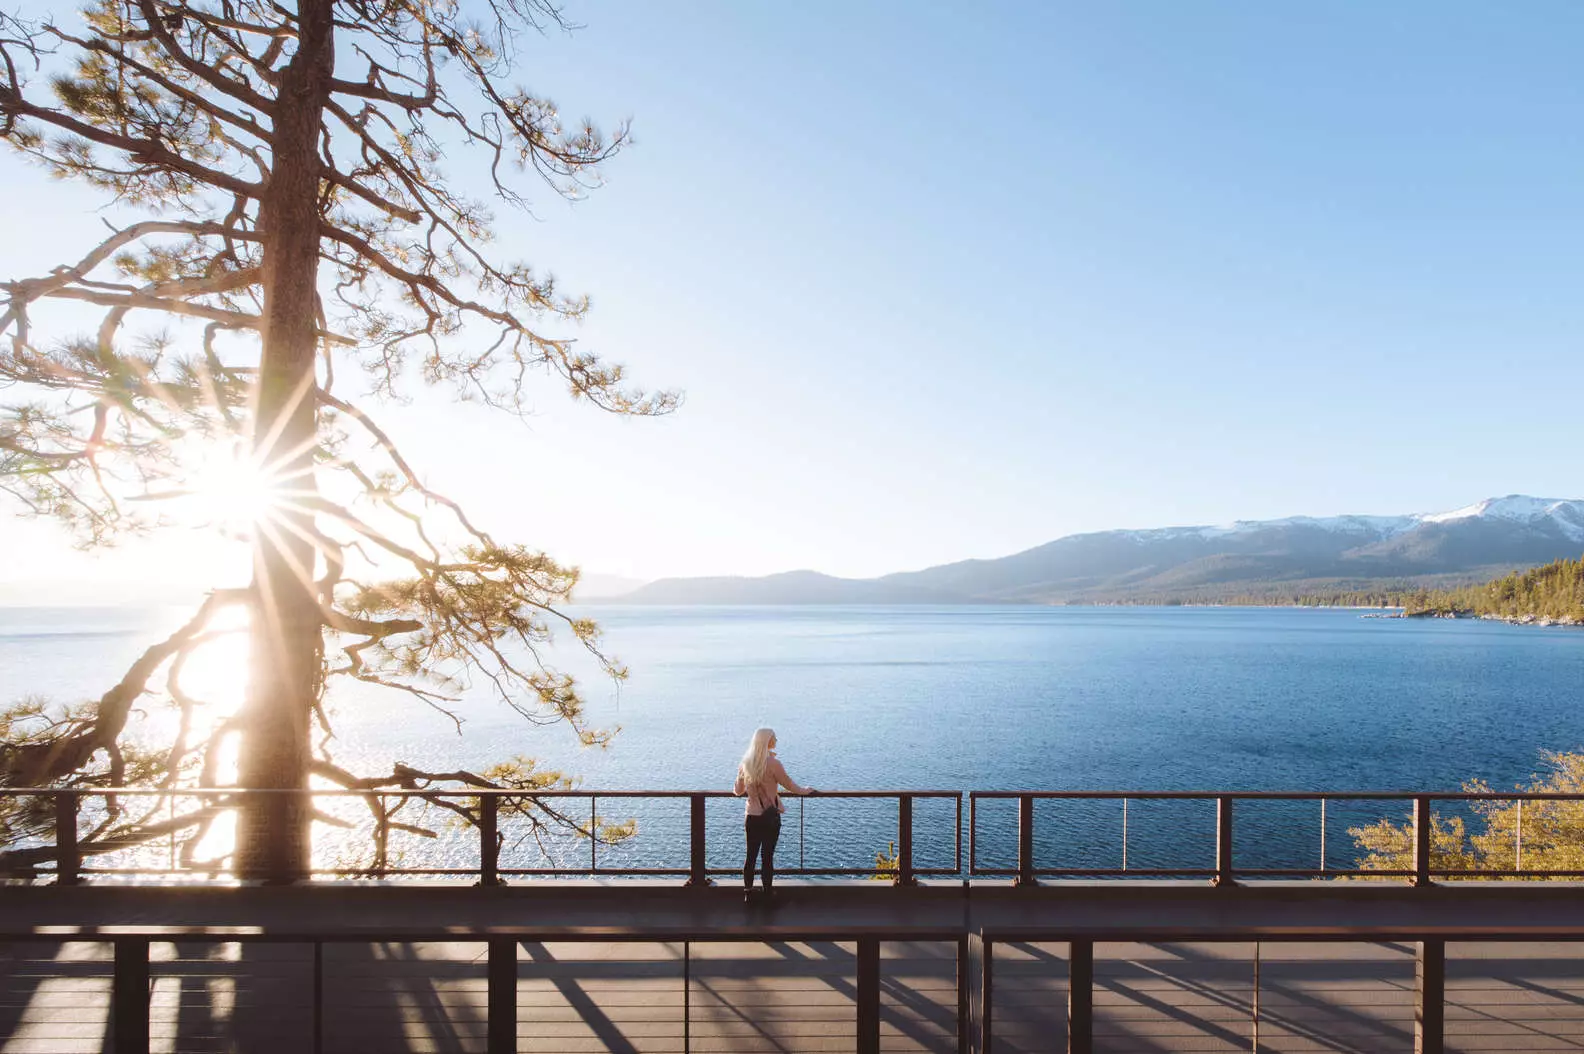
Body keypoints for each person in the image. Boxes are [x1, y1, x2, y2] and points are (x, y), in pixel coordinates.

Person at [733, 727, 813, 902]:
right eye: (774, 737)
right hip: (770, 818)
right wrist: (805, 791)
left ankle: (748, 893)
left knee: (750, 856)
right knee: (767, 857)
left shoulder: (745, 763)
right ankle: (767, 892)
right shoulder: (774, 764)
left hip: (752, 817)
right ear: (767, 741)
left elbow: (738, 791)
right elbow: (789, 784)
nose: (776, 739)